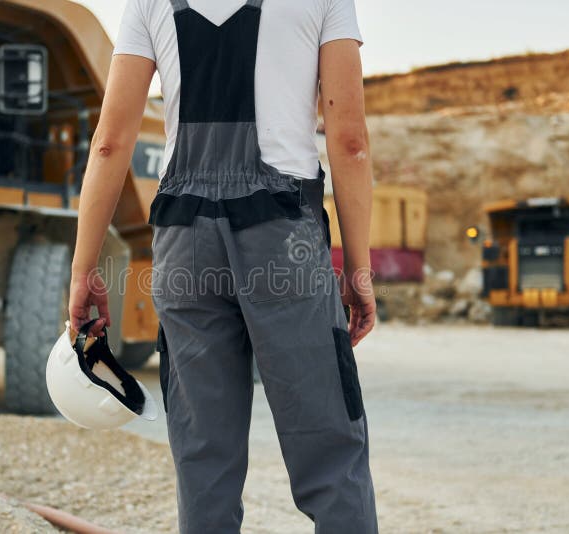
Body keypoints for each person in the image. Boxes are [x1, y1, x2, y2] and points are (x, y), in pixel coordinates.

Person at [68, 0, 378, 532]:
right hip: (282, 236)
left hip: (184, 240)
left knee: (204, 455)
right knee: (329, 448)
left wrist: (84, 270)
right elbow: (348, 140)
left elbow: (109, 144)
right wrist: (357, 267)